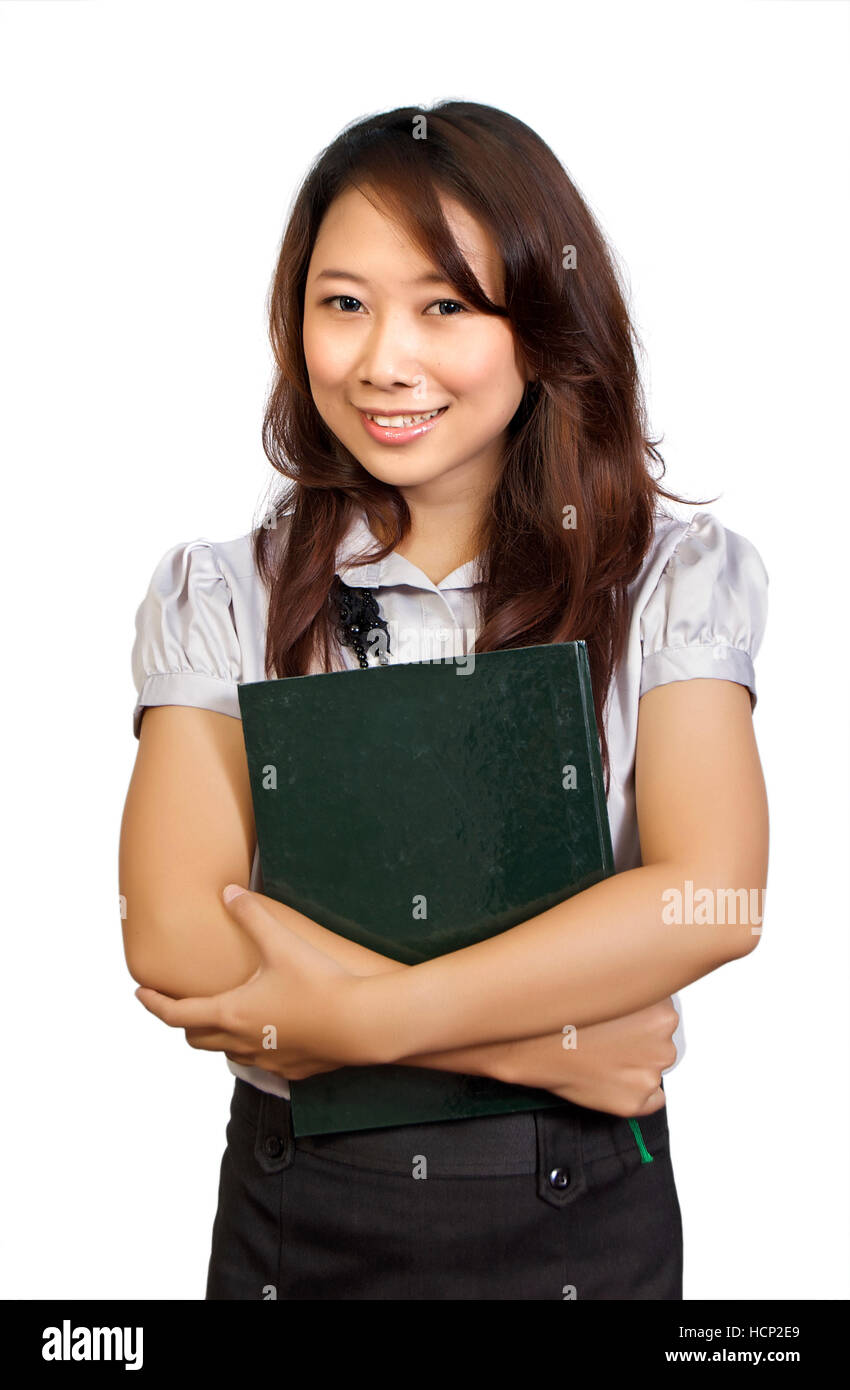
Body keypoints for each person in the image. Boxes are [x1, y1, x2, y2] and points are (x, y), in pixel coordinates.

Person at [119, 101, 769, 1301]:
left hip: (581, 1216)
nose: (384, 361)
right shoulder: (222, 592)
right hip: (298, 1218)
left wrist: (365, 1025)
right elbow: (177, 942)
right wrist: (559, 1039)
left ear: (540, 319)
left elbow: (709, 896)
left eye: (447, 305)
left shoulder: (669, 579)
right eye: (344, 302)